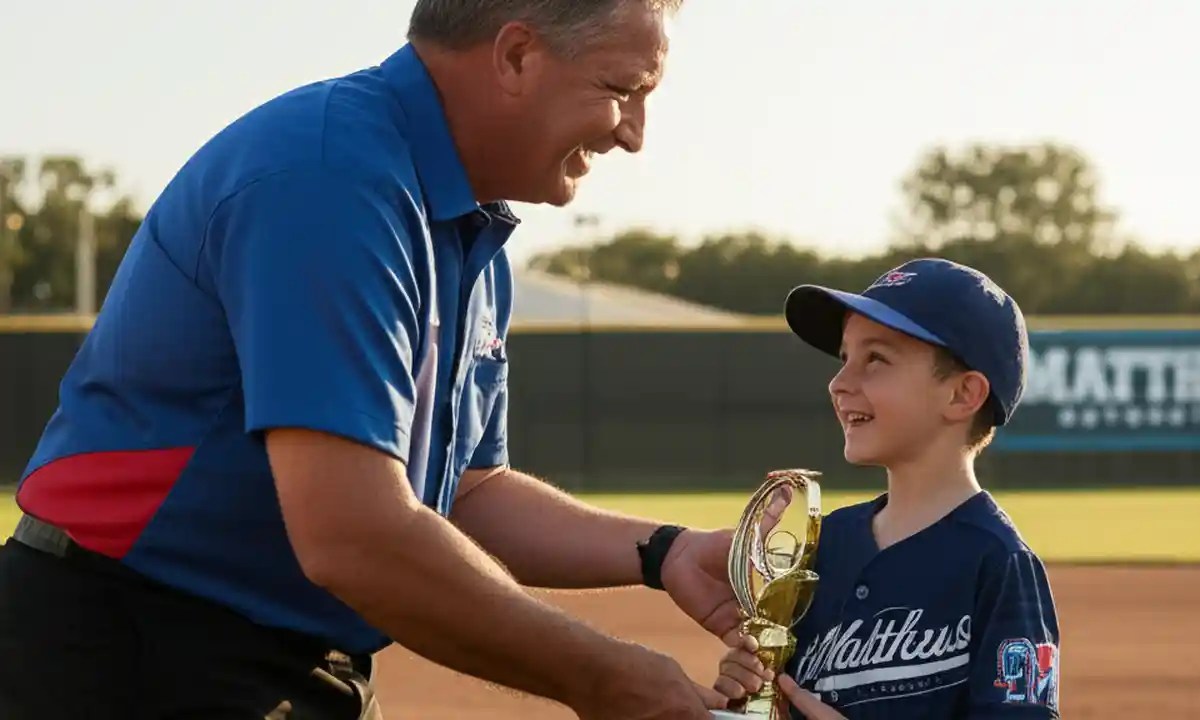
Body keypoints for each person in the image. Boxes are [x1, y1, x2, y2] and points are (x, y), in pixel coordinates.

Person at [0, 2, 741, 719]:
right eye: (621, 90)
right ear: (516, 55)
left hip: (277, 657)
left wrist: (664, 552)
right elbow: (353, 534)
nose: (635, 134)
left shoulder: (461, 223)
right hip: (129, 652)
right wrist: (603, 677)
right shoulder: (330, 180)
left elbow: (468, 495)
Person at [712, 258, 1062, 719]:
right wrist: (748, 694)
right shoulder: (824, 545)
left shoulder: (998, 561)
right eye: (845, 359)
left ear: (962, 395)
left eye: (876, 359)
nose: (839, 383)